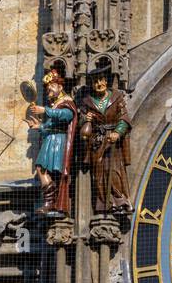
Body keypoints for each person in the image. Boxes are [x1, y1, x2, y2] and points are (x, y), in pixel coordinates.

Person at [26, 63, 77, 217]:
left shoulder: (66, 102)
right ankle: (50, 201)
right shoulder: (55, 105)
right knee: (42, 169)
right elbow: (50, 124)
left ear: (60, 87)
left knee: (51, 171)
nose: (49, 91)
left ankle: (53, 203)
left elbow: (67, 116)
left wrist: (45, 110)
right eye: (47, 89)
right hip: (50, 140)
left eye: (51, 88)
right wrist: (39, 127)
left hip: (59, 141)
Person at [79, 65, 132, 214]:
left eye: (101, 80)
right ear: (91, 84)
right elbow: (82, 126)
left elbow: (124, 118)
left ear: (106, 81)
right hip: (97, 140)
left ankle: (120, 201)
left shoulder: (116, 97)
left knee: (114, 170)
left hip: (113, 140)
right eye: (95, 82)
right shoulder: (87, 101)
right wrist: (85, 119)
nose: (99, 84)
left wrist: (117, 132)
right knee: (99, 173)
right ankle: (105, 203)